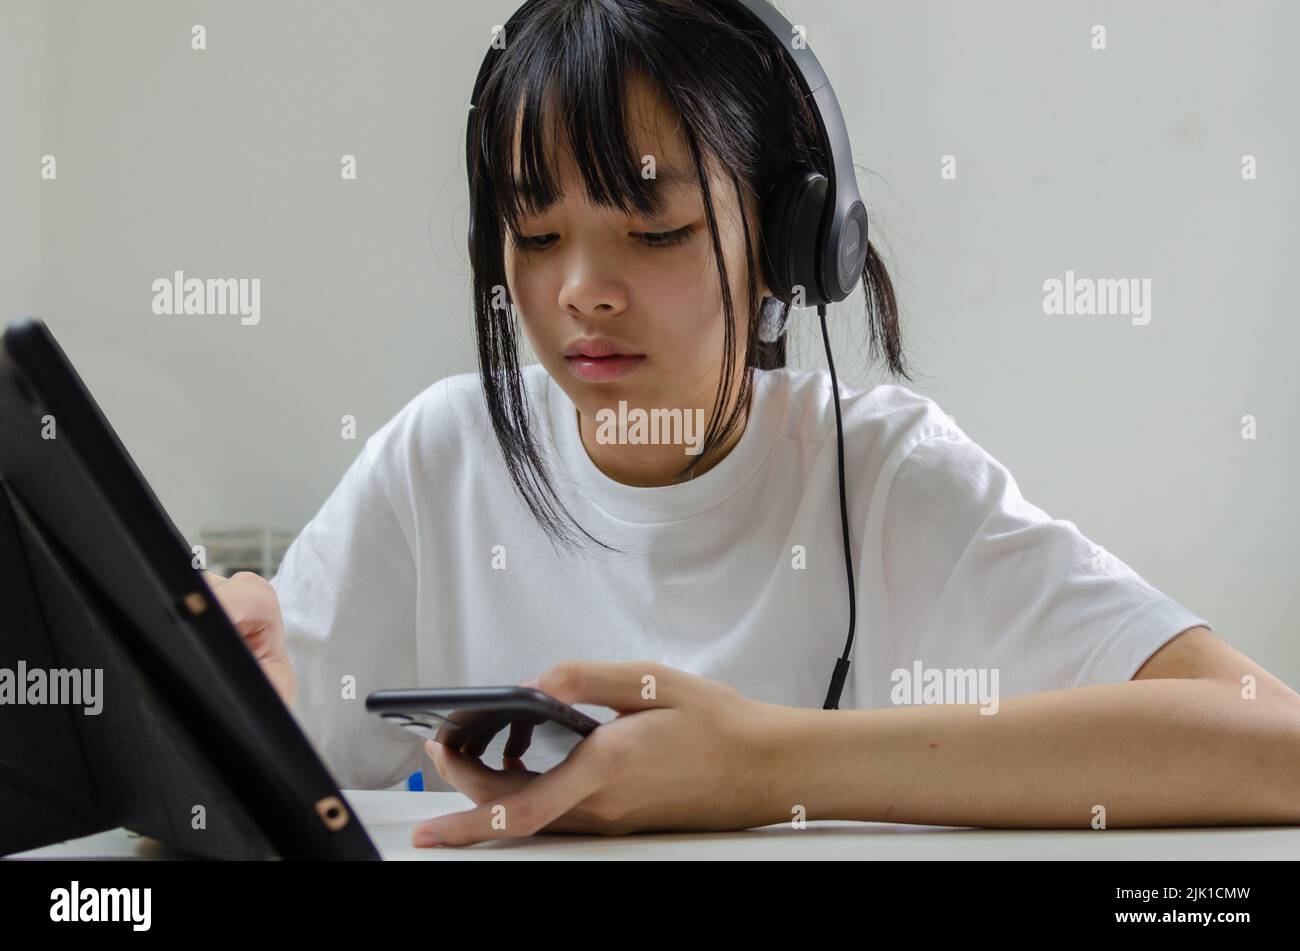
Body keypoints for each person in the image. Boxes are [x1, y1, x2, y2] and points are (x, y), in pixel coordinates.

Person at [207, 0, 1300, 847]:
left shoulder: (883, 479)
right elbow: (249, 788)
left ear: (788, 245)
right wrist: (233, 689)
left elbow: (1276, 746)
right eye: (535, 234)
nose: (582, 290)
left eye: (654, 229)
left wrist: (769, 766)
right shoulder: (436, 460)